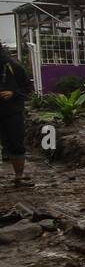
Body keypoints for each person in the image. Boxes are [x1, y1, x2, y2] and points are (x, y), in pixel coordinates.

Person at [0, 44, 34, 188]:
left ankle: (18, 177)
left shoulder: (14, 67)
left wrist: (13, 94)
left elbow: (28, 89)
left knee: (15, 143)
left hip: (12, 112)